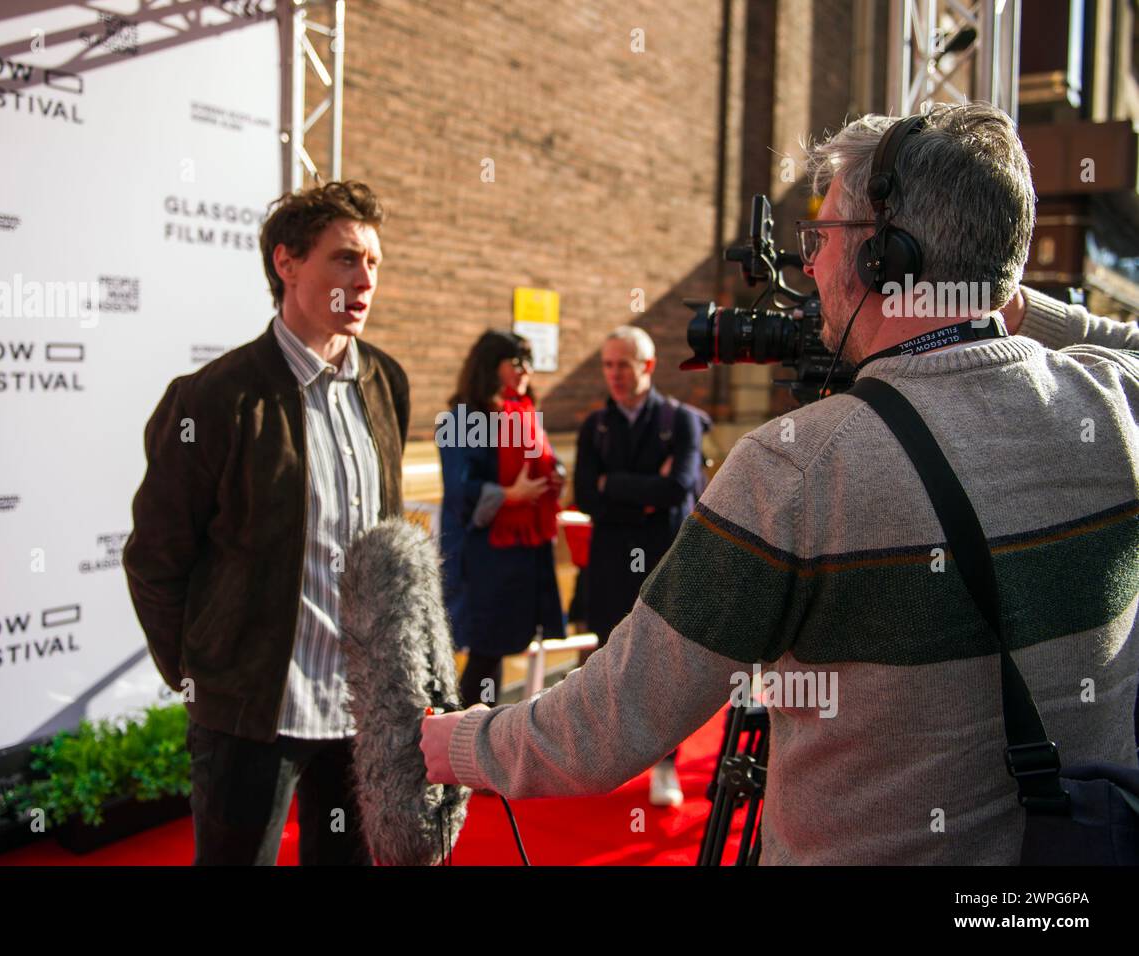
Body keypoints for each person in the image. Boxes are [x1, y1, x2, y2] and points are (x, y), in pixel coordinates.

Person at [421, 103, 1139, 864]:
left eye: (821, 239)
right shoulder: (1115, 402)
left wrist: (454, 742)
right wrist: (999, 295)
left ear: (883, 259)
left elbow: (606, 727)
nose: (811, 266)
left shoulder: (793, 467)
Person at [123, 181, 409, 865]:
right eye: (344, 259)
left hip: (359, 711)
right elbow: (155, 559)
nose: (365, 279)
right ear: (286, 263)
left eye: (373, 262)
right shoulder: (214, 398)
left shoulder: (386, 382)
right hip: (249, 715)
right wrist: (204, 673)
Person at [573, 325, 707, 806]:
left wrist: (616, 486)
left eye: (622, 365)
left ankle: (665, 764)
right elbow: (585, 495)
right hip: (610, 560)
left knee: (665, 662)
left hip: (664, 557)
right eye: (607, 364)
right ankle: (596, 754)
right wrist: (643, 490)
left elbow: (679, 488)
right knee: (605, 656)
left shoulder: (681, 421)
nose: (614, 374)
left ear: (646, 366)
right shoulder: (595, 427)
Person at [444, 331, 566, 709]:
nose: (526, 370)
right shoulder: (463, 418)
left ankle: (485, 737)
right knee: (485, 652)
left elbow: (545, 457)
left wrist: (556, 471)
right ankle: (465, 740)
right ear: (490, 366)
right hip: (485, 555)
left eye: (528, 361)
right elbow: (459, 490)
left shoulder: (523, 411)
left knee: (497, 650)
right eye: (516, 362)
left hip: (523, 552)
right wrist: (510, 495)